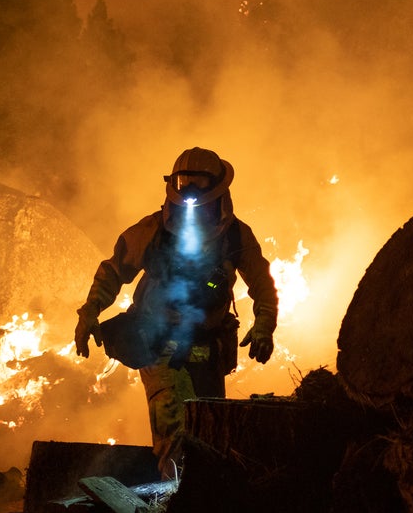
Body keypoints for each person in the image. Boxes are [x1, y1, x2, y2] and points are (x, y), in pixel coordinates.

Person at [73, 146, 279, 477]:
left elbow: (261, 282)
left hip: (207, 349)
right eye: (186, 183)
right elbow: (113, 270)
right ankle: (175, 499)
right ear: (174, 185)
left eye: (201, 185)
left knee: (210, 435)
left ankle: (201, 498)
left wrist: (265, 323)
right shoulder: (153, 230)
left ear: (219, 190)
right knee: (177, 440)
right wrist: (89, 312)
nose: (193, 194)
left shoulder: (235, 235)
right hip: (158, 346)